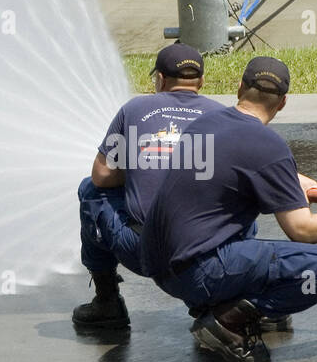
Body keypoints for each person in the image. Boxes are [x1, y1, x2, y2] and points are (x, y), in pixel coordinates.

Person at [141, 56, 317, 362]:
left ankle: (212, 306)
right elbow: (302, 230)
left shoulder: (206, 122)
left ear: (240, 89)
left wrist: (287, 179)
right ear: (283, 103)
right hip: (198, 273)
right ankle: (228, 321)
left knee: (243, 226)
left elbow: (227, 170)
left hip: (160, 266)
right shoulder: (269, 146)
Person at [73, 42, 220, 330]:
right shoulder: (223, 115)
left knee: (90, 192)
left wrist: (143, 171)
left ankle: (107, 302)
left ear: (160, 80)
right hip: (210, 251)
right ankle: (240, 302)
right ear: (201, 81)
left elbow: (101, 176)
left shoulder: (134, 108)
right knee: (239, 202)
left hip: (146, 251)